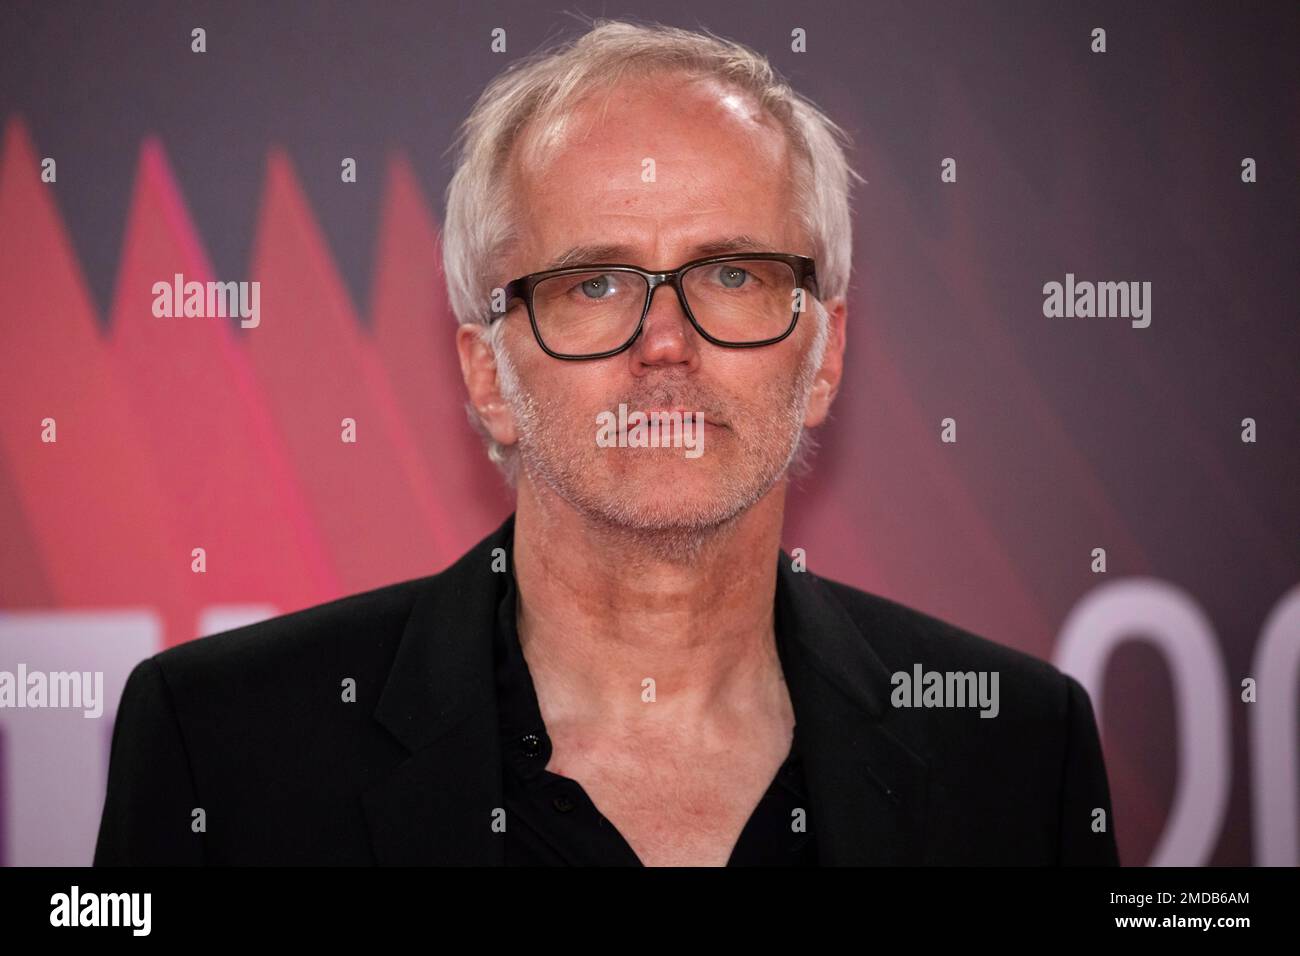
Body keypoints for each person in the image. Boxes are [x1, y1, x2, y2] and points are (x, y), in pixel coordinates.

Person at [94, 19, 1119, 867]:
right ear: (488, 372)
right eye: (594, 284)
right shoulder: (223, 745)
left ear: (826, 351)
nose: (664, 344)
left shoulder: (1017, 749)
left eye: (731, 273)